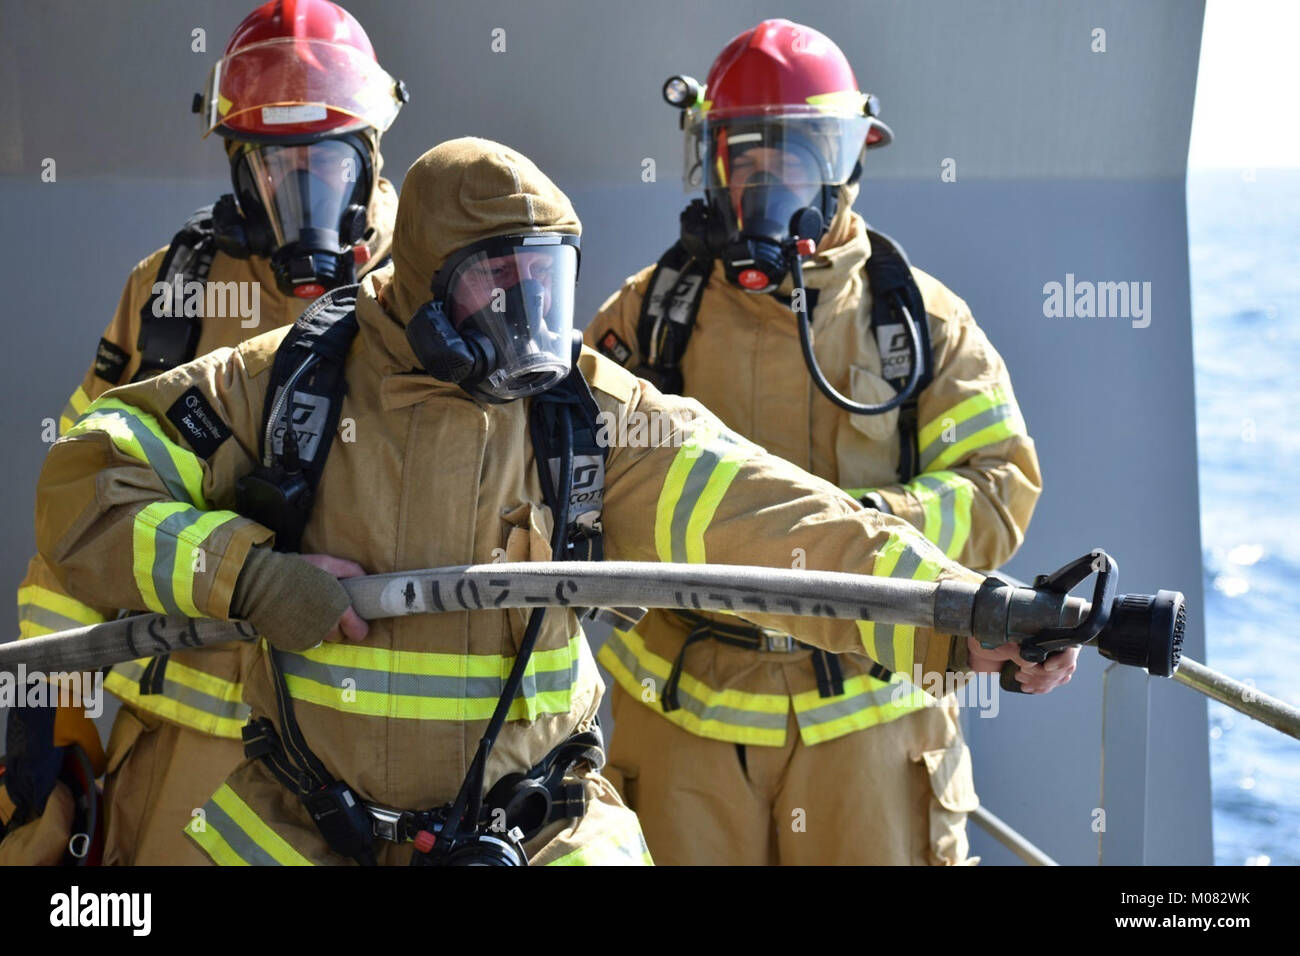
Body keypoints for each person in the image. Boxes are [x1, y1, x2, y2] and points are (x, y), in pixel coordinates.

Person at [32, 136, 1036, 866]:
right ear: (421, 284)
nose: (528, 325)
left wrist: (966, 615)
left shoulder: (585, 415)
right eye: (494, 289)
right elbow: (89, 475)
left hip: (536, 833)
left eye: (545, 287)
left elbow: (781, 525)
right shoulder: (278, 385)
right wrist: (245, 574)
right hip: (294, 830)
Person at [584, 18, 1064, 865]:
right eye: (749, 157)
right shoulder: (650, 316)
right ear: (711, 158)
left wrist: (865, 528)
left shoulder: (918, 322)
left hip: (871, 731)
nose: (769, 182)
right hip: (683, 728)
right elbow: (572, 469)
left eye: (797, 155)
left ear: (847, 160)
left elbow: (1000, 484)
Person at [1, 0, 405, 865]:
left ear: (372, 158)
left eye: (326, 164)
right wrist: (55, 703)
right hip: (188, 747)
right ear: (237, 170)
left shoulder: (434, 294)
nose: (301, 194)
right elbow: (80, 504)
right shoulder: (172, 299)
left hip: (372, 759)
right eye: (273, 165)